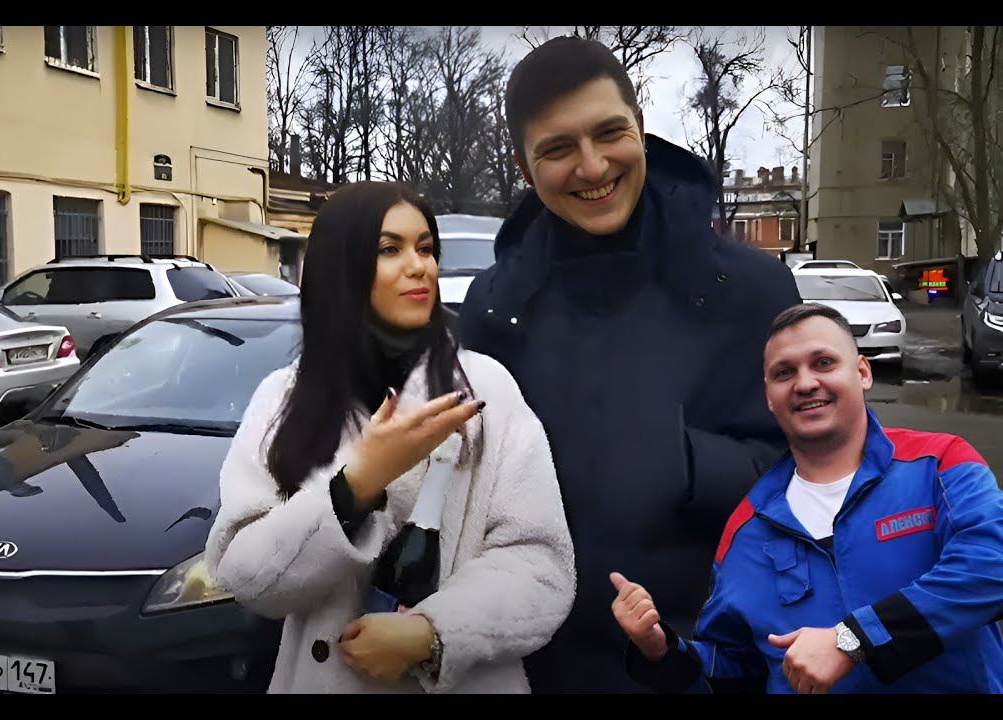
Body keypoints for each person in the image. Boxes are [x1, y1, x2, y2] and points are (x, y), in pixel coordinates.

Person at [457, 36, 802, 691]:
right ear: (525, 167)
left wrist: (683, 460)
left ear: (640, 128)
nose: (592, 167)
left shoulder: (751, 291)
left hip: (708, 659)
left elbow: (814, 470)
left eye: (609, 133)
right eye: (558, 148)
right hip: (537, 666)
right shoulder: (495, 309)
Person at [204, 182, 575, 693]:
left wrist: (432, 634)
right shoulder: (283, 400)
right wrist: (356, 485)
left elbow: (540, 563)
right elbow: (248, 579)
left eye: (426, 248)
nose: (419, 266)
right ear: (342, 269)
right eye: (389, 249)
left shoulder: (484, 389)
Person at [612, 303, 1003, 693]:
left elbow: (991, 565)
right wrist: (663, 654)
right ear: (769, 396)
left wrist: (854, 640)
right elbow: (734, 670)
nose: (805, 383)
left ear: (862, 373)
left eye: (823, 363)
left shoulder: (939, 464)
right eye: (784, 372)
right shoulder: (747, 530)